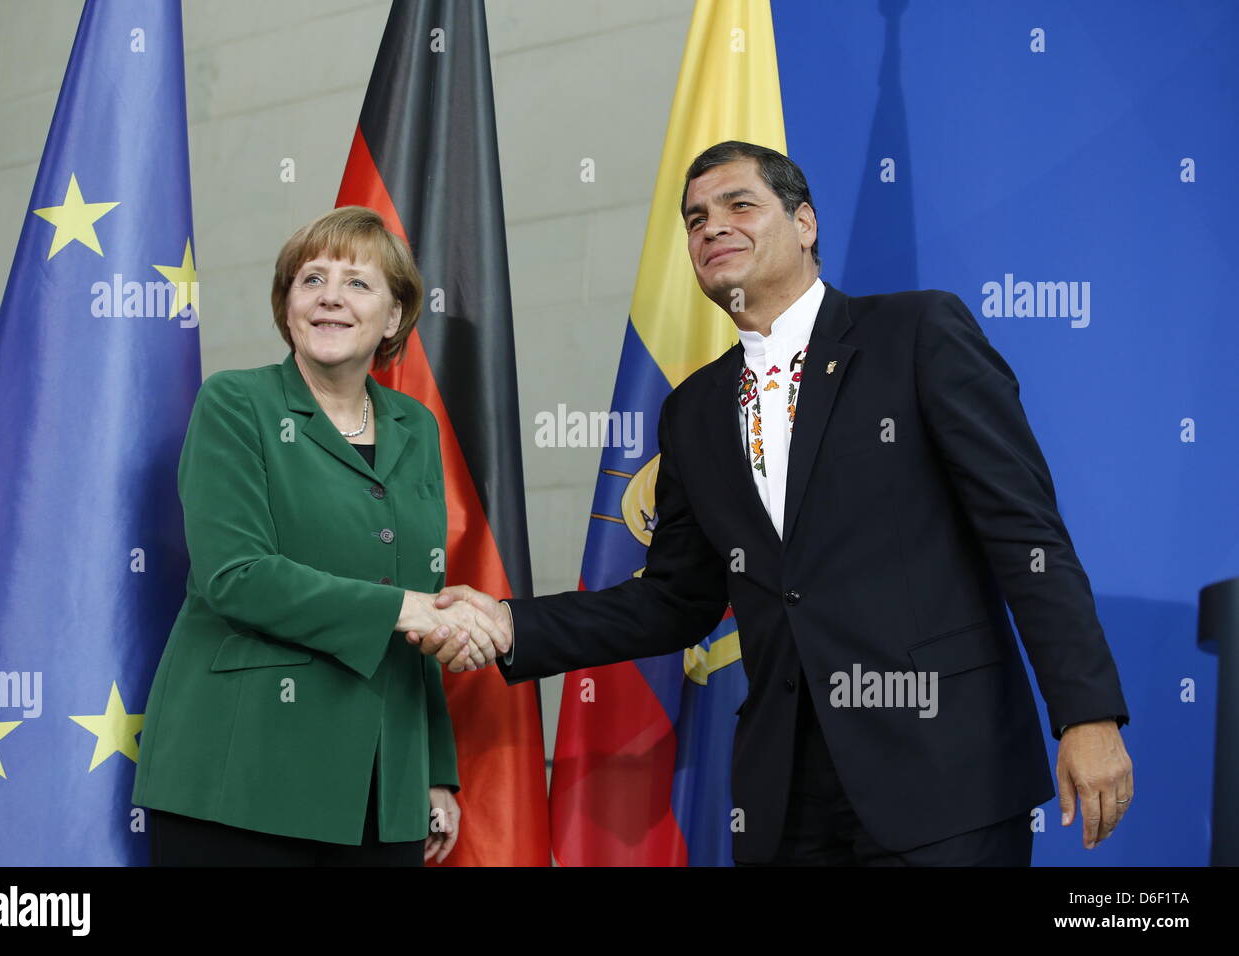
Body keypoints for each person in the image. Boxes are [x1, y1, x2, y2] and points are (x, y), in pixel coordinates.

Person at [412, 142, 1134, 866]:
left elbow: (1025, 534)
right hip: (786, 797)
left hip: (944, 772)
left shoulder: (916, 334)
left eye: (739, 205)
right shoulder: (692, 411)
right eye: (695, 219)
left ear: (806, 223)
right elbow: (675, 601)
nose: (711, 227)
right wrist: (509, 624)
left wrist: (1087, 712)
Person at [132, 206, 509, 866]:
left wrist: (433, 769)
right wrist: (406, 608)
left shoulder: (415, 426)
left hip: (381, 785)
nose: (331, 296)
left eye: (358, 283)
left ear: (393, 317)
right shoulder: (235, 402)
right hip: (240, 777)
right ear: (287, 306)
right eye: (312, 279)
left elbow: (417, 601)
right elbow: (237, 576)